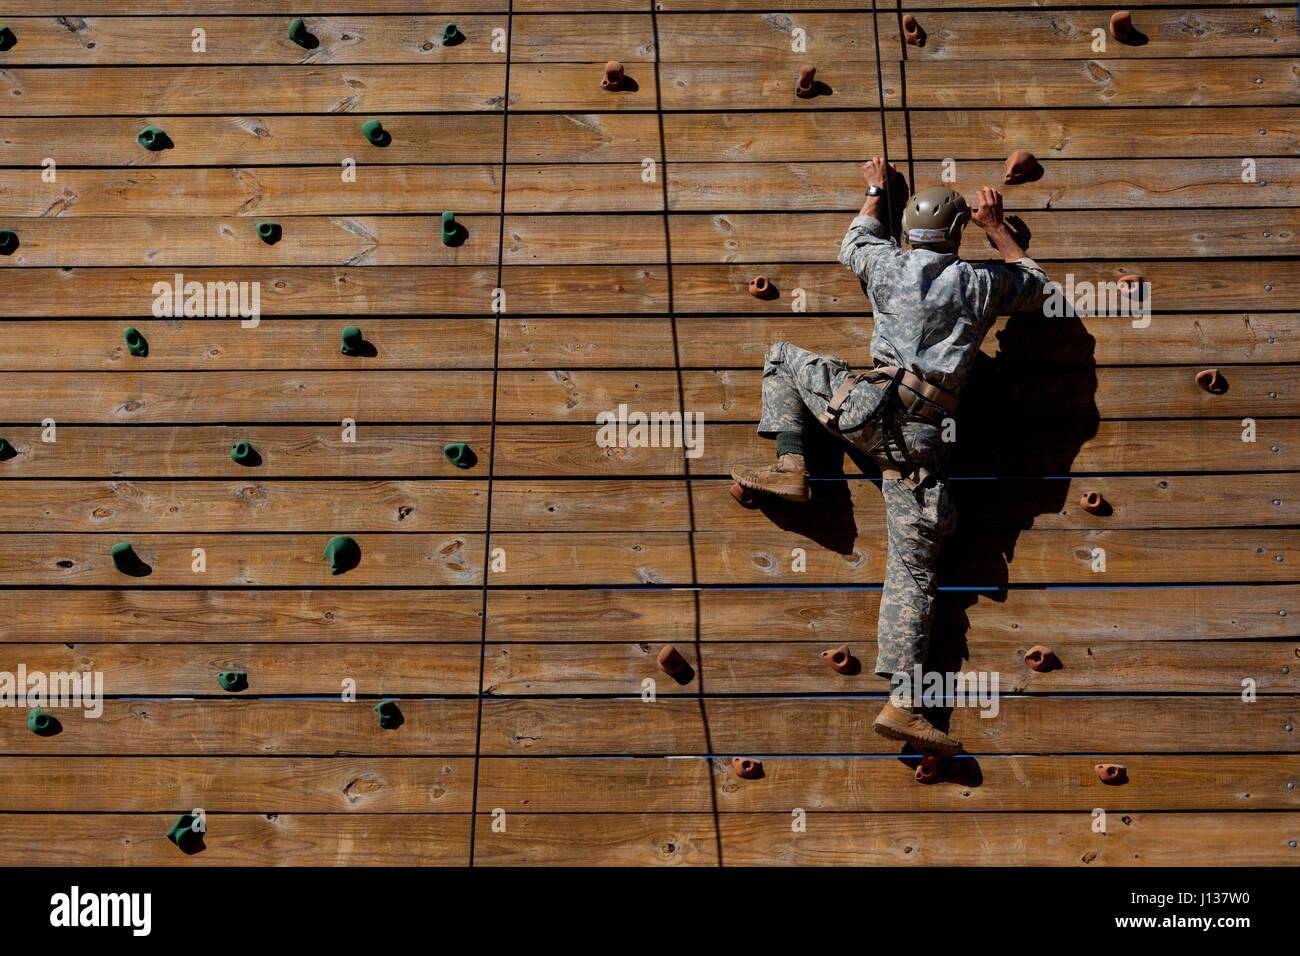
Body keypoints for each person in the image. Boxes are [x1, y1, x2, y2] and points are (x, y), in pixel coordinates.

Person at [730, 157, 1051, 755]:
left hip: (858, 410)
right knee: (914, 571)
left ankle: (793, 466)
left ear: (909, 231)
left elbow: (855, 239)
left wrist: (877, 187)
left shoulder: (887, 264)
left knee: (781, 355)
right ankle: (904, 704)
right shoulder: (979, 282)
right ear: (956, 234)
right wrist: (997, 227)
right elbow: (1039, 286)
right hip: (918, 446)